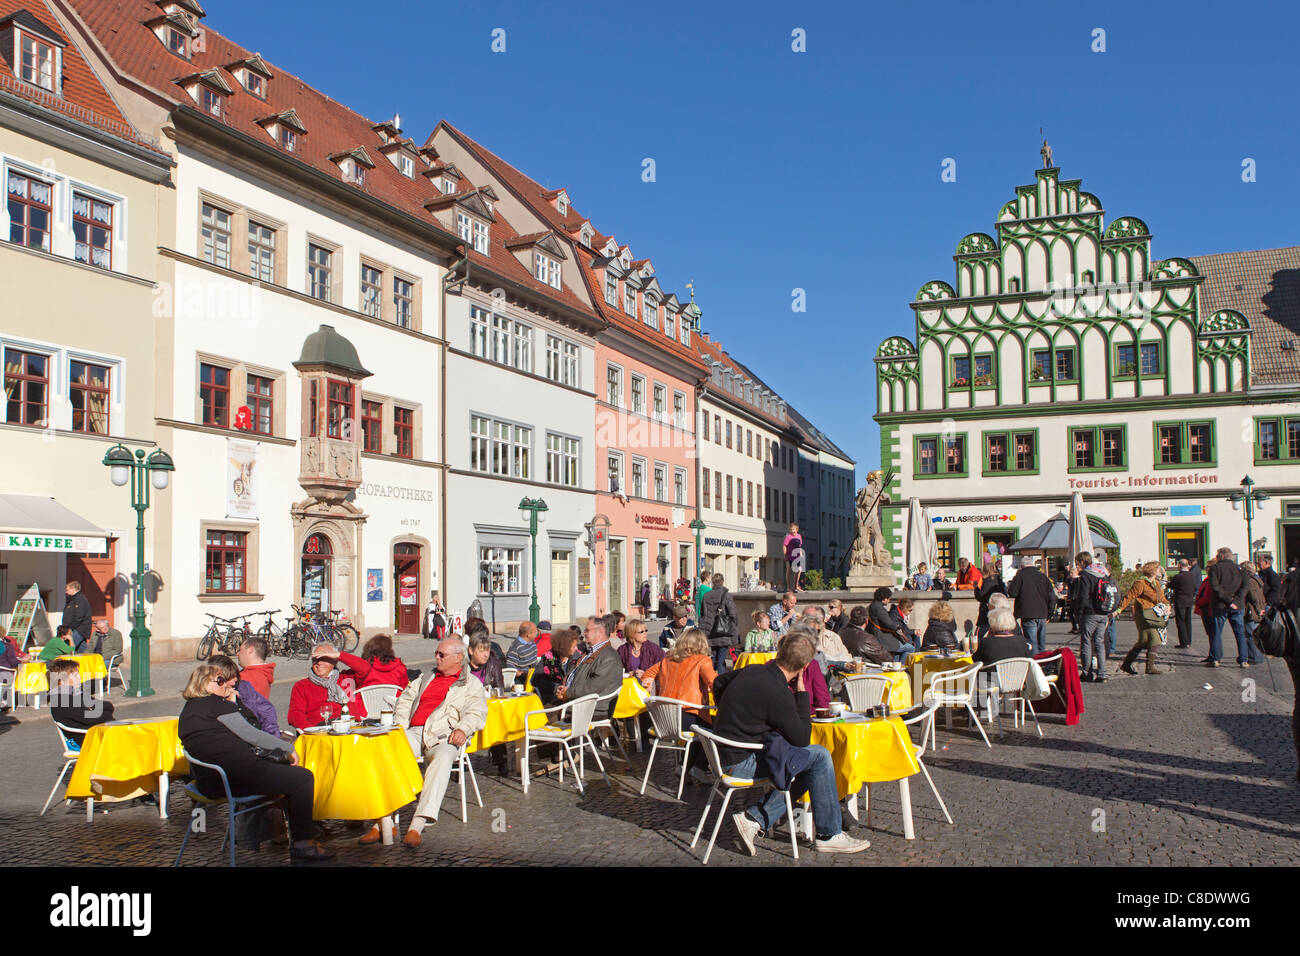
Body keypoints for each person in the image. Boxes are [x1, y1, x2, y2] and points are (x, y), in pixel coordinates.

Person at [711, 633, 871, 854]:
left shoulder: (753, 670)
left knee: (804, 762)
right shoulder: (778, 693)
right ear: (804, 667)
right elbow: (801, 739)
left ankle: (755, 819)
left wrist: (737, 713)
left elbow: (719, 682)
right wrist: (801, 694)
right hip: (740, 761)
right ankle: (829, 834)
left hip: (721, 752)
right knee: (819, 757)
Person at [178, 658, 331, 861]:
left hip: (208, 781)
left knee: (286, 774)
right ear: (205, 684)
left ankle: (285, 832)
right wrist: (288, 748)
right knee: (303, 778)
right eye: (220, 681)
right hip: (235, 778)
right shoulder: (218, 706)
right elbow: (252, 734)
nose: (227, 684)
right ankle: (302, 842)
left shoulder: (188, 711)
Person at [390, 637, 488, 847]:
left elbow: (476, 712)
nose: (436, 657)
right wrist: (400, 726)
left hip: (445, 734)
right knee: (390, 751)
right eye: (436, 653)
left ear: (458, 658)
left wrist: (463, 729)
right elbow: (405, 700)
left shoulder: (471, 684)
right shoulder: (426, 678)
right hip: (415, 731)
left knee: (443, 758)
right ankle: (384, 819)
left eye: (441, 654)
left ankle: (417, 823)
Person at [640, 628, 716, 725]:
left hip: (663, 717)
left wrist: (649, 689)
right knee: (719, 726)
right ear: (702, 644)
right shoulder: (702, 661)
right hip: (690, 714)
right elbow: (714, 683)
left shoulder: (666, 661)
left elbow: (646, 675)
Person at [287, 643, 368, 730]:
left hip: (352, 727)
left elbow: (365, 668)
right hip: (321, 729)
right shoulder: (302, 685)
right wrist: (313, 731)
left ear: (335, 661)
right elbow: (295, 715)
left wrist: (339, 655)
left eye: (325, 658)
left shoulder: (346, 678)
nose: (319, 663)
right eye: (315, 659)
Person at [557, 615, 623, 719]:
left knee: (538, 718)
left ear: (600, 632)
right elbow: (575, 675)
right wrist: (563, 690)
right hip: (575, 703)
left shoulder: (608, 656)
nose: (584, 633)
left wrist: (568, 693)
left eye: (587, 630)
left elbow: (594, 686)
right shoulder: (589, 652)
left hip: (591, 709)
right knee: (539, 713)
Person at [1115, 562, 1170, 676]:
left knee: (1144, 641)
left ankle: (1127, 664)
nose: (1159, 571)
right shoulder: (1141, 583)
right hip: (1144, 615)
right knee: (1154, 638)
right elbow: (1129, 596)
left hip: (1154, 614)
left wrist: (1167, 605)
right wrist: (1119, 610)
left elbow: (1162, 598)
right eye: (1157, 569)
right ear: (1152, 570)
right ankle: (1149, 667)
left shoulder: (1156, 583)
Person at [47, 658, 114, 745]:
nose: (80, 677)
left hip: (96, 734)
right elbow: (94, 717)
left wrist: (104, 709)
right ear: (61, 681)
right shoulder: (62, 700)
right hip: (87, 740)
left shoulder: (75, 694)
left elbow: (105, 706)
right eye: (75, 675)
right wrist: (105, 712)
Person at [1206, 546, 1250, 667]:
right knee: (1240, 633)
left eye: (1217, 555)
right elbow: (1245, 586)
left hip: (1220, 605)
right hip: (1237, 605)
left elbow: (1215, 587)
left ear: (1221, 556)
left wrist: (1228, 600)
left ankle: (1215, 658)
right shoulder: (1240, 569)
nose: (1216, 558)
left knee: (1216, 632)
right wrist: (1236, 600)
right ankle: (1244, 659)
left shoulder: (1215, 568)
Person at [1008, 555, 1055, 654]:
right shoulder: (1043, 576)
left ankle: (1035, 661)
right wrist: (1050, 614)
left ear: (1021, 566)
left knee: (1032, 643)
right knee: (1041, 644)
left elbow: (1012, 593)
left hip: (1027, 613)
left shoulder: (1020, 576)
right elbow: (1052, 597)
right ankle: (1042, 660)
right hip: (1042, 613)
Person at [1076, 551, 1110, 682]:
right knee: (1099, 642)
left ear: (1082, 562)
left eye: (1077, 563)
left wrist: (1079, 613)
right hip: (1103, 612)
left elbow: (1083, 596)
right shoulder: (1103, 573)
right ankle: (1102, 673)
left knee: (1086, 641)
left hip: (1090, 612)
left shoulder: (1086, 575)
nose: (1077, 566)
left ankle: (1087, 672)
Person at [700, 573, 740, 673]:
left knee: (713, 658)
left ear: (713, 582)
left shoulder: (706, 595)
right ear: (722, 582)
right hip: (723, 630)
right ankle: (719, 680)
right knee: (721, 660)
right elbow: (733, 613)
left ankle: (711, 679)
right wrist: (734, 628)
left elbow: (703, 613)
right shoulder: (726, 595)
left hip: (710, 630)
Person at [532, 627, 581, 707]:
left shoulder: (577, 657)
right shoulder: (548, 657)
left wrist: (567, 691)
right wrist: (556, 688)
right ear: (564, 648)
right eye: (573, 646)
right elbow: (536, 679)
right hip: (551, 699)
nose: (576, 648)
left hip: (572, 699)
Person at [340, 634, 410, 690]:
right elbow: (403, 688)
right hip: (392, 702)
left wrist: (338, 654)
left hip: (365, 703)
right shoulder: (400, 667)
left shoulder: (364, 668)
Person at [867, 587, 914, 661]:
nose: (889, 600)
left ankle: (896, 663)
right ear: (884, 598)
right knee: (910, 648)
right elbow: (889, 624)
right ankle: (902, 666)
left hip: (879, 634)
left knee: (900, 649)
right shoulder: (879, 609)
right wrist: (898, 626)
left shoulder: (874, 605)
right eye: (888, 598)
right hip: (882, 637)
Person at [0, 627, 33, 712]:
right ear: (3, 635)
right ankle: (4, 701)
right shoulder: (7, 646)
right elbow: (14, 663)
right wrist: (23, 661)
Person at [1169, 559, 1200, 649]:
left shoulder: (1178, 576)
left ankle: (1183, 642)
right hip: (1189, 601)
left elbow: (1171, 585)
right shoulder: (1192, 575)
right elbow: (1195, 586)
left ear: (1179, 565)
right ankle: (1188, 641)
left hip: (1180, 601)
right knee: (1188, 621)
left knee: (1181, 622)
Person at [1241, 563, 1268, 664]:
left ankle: (1255, 657)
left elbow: (1254, 597)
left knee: (1250, 634)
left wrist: (1258, 609)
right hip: (1256, 609)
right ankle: (1256, 656)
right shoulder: (1257, 579)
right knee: (1253, 634)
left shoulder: (1250, 581)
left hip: (1251, 610)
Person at [974, 558, 1006, 639]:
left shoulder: (987, 581)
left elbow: (981, 596)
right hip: (998, 608)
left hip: (987, 610)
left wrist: (976, 588)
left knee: (979, 634)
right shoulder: (999, 580)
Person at [61, 581, 93, 652]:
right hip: (76, 629)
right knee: (81, 649)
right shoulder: (72, 599)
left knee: (68, 648)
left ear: (73, 589)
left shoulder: (80, 599)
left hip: (79, 629)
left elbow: (79, 616)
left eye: (67, 590)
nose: (66, 592)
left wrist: (71, 628)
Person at [784, 523, 804, 592]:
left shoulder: (799, 536)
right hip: (789, 556)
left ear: (797, 529)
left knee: (799, 570)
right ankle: (788, 587)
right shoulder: (788, 536)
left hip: (797, 556)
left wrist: (801, 554)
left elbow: (799, 546)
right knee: (789, 570)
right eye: (791, 529)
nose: (792, 531)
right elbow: (784, 546)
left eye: (793, 529)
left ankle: (795, 586)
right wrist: (785, 555)